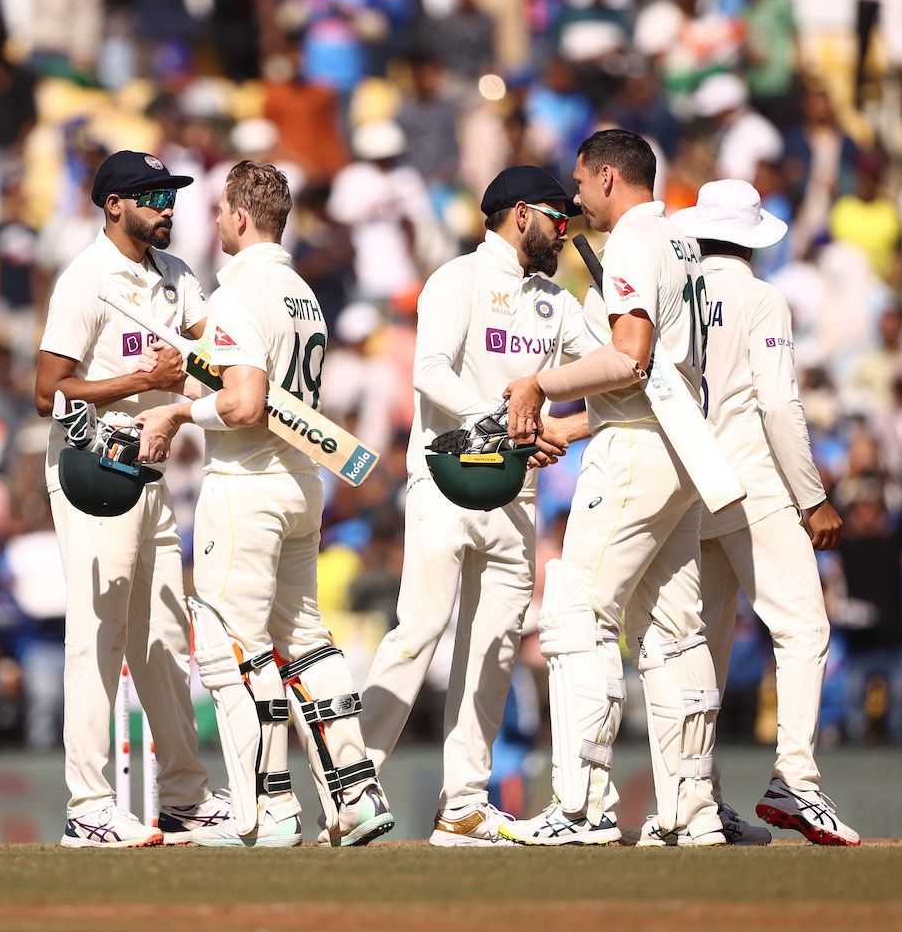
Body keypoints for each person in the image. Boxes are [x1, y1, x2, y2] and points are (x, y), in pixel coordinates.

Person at [135, 160, 393, 847]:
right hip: (302, 483)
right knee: (304, 640)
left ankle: (267, 809)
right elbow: (258, 390)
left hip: (245, 485)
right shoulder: (303, 293)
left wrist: (176, 414)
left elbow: (246, 403)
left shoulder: (239, 294)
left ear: (242, 217)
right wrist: (192, 374)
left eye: (221, 211)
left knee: (235, 648)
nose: (216, 221)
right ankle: (356, 794)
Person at [501, 129, 725, 846]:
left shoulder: (630, 240)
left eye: (579, 182)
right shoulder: (681, 241)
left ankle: (582, 807)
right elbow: (655, 374)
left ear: (606, 176)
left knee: (575, 614)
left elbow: (630, 358)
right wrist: (573, 425)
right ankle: (694, 811)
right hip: (679, 447)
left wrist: (540, 383)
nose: (576, 198)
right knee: (675, 631)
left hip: (635, 453)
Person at [359, 166, 590, 847]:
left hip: (516, 493)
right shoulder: (456, 280)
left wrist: (568, 422)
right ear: (521, 214)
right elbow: (430, 372)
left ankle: (462, 803)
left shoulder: (556, 300)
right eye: (557, 217)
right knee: (419, 631)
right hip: (448, 477)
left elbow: (612, 371)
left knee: (493, 648)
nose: (565, 231)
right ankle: (351, 785)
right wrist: (512, 421)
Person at [34, 150, 228, 848]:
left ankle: (182, 798)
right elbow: (46, 393)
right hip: (94, 471)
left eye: (170, 196)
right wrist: (142, 380)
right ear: (113, 205)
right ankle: (89, 807)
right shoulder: (85, 281)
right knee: (99, 634)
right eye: (151, 197)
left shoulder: (176, 275)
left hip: (151, 473)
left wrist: (192, 375)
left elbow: (211, 358)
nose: (166, 208)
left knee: (164, 635)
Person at [670, 179, 859, 845]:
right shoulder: (761, 297)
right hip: (753, 486)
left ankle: (695, 798)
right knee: (803, 630)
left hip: (690, 489)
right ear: (751, 239)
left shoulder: (676, 293)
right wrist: (814, 497)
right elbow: (778, 404)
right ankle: (796, 780)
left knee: (701, 651)